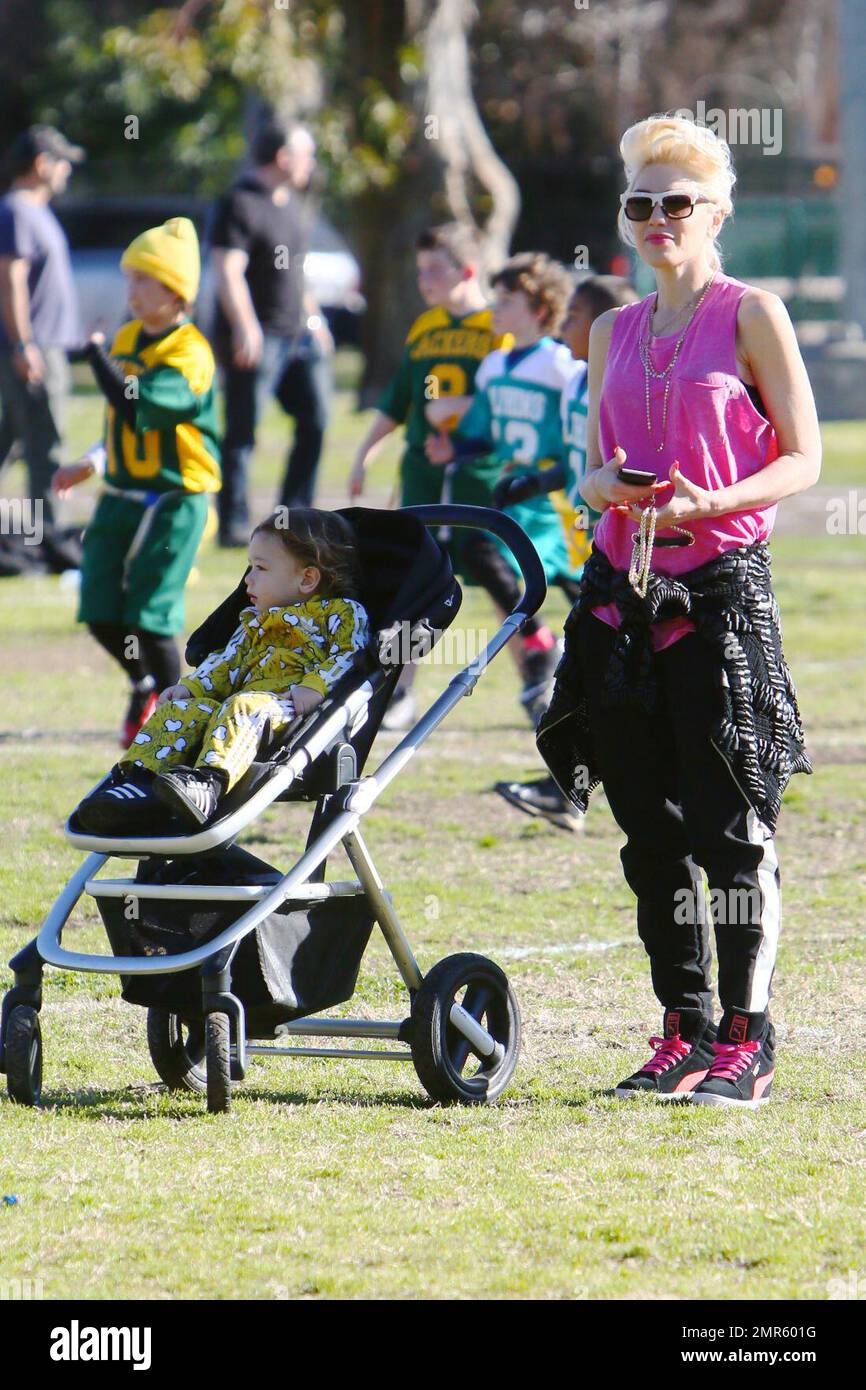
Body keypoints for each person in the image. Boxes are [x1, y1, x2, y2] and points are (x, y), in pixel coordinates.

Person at [537, 114, 820, 1107]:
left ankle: (747, 1036)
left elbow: (801, 455)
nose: (656, 220)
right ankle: (683, 1027)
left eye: (676, 204)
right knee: (646, 831)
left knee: (727, 825)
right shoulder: (610, 327)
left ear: (715, 214)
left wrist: (715, 500)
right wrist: (600, 485)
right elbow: (587, 463)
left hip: (717, 593)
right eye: (639, 204)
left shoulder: (752, 314)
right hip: (620, 595)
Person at [75, 509, 369, 833]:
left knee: (241, 706)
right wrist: (192, 688)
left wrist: (314, 686)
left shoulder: (340, 613)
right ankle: (134, 784)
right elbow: (224, 664)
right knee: (184, 711)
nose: (248, 579)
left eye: (260, 568)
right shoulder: (252, 619)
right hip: (234, 711)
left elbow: (350, 654)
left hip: (287, 710)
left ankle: (207, 784)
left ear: (307, 578)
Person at [53, 217, 221, 746]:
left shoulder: (189, 352)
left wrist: (95, 359)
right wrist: (92, 462)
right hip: (122, 493)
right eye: (129, 278)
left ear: (176, 291)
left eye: (143, 279)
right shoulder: (126, 338)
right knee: (99, 608)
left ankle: (177, 723)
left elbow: (138, 406)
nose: (132, 289)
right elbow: (120, 428)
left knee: (150, 616)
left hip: (175, 498)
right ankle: (143, 682)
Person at [348, 221, 511, 729]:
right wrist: (365, 452)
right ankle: (400, 690)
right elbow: (400, 399)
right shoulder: (424, 329)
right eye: (420, 271)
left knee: (500, 580)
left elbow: (506, 405)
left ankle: (538, 676)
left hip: (476, 474)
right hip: (421, 471)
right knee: (414, 583)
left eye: (434, 270)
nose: (424, 280)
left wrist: (466, 432)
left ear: (467, 271)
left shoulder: (500, 327)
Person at [495, 275, 639, 831]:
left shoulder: (619, 380)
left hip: (624, 558)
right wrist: (539, 481)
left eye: (575, 316)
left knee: (604, 680)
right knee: (588, 679)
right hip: (594, 556)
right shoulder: (580, 380)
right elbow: (577, 459)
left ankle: (584, 791)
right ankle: (568, 791)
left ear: (608, 324)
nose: (564, 326)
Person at [425, 251, 580, 725]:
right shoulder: (493, 366)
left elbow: (583, 419)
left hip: (555, 494)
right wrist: (455, 448)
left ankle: (602, 662)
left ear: (539, 309)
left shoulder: (560, 364)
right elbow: (483, 431)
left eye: (507, 300)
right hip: (515, 494)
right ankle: (539, 642)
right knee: (481, 551)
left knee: (583, 583)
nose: (496, 308)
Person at [210, 117, 332, 547]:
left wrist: (315, 320)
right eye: (307, 154)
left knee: (316, 419)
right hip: (258, 337)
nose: (311, 163)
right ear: (283, 157)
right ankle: (233, 523)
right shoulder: (239, 203)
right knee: (243, 431)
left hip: (297, 336)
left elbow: (296, 273)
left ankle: (295, 515)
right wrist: (245, 327)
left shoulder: (290, 205)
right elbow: (227, 270)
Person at [0, 125, 84, 571]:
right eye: (62, 160)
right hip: (35, 350)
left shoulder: (35, 211)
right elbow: (10, 278)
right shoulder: (16, 210)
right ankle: (48, 541)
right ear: (40, 164)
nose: (67, 169)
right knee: (44, 445)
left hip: (44, 345)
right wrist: (24, 343)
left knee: (13, 439)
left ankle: (40, 536)